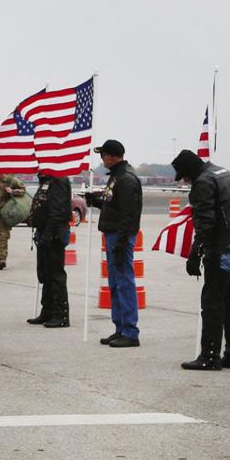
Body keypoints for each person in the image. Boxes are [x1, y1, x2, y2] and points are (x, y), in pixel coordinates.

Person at [170, 149, 230, 370]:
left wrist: (195, 253)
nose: (186, 182)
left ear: (189, 171)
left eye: (185, 177)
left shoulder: (204, 183)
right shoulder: (224, 173)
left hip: (223, 248)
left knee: (212, 304)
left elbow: (205, 222)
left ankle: (209, 356)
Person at [84, 140, 142, 347]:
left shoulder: (126, 179)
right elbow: (115, 206)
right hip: (113, 234)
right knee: (115, 284)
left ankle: (130, 332)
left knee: (124, 283)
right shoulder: (117, 177)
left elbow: (129, 213)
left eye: (103, 155)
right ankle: (120, 328)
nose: (102, 159)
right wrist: (97, 201)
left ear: (112, 156)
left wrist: (123, 241)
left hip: (120, 236)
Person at [27, 172, 73, 328]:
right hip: (44, 232)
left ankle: (61, 315)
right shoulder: (47, 180)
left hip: (54, 234)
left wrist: (47, 235)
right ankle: (47, 311)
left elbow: (57, 212)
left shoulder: (58, 180)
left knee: (55, 275)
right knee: (45, 274)